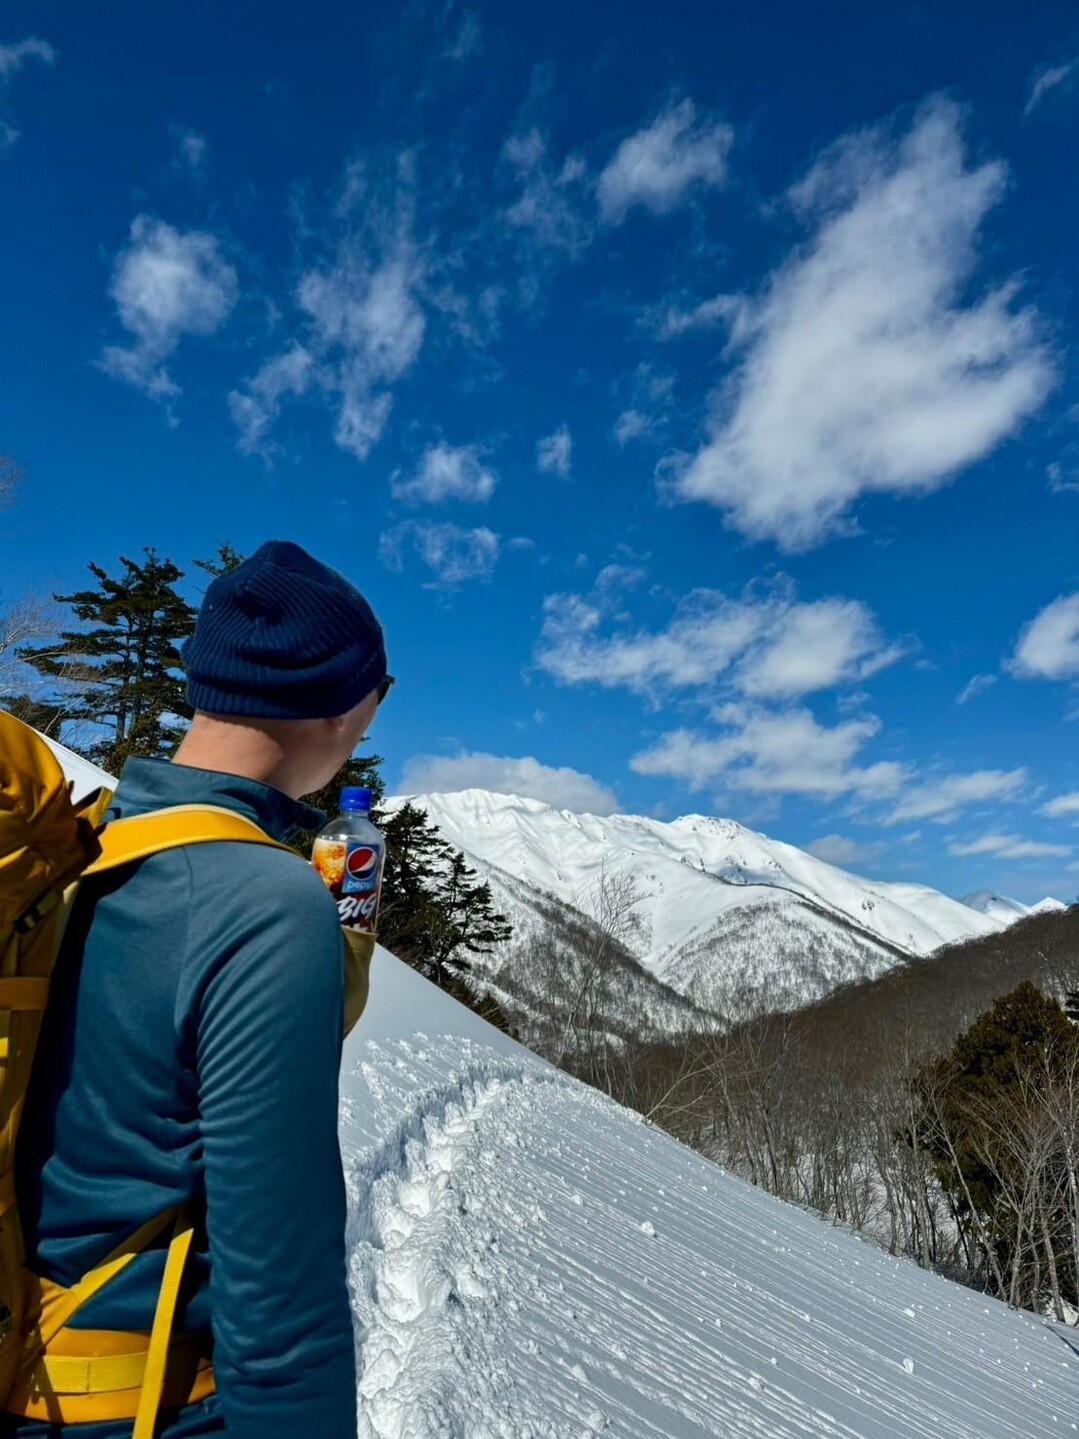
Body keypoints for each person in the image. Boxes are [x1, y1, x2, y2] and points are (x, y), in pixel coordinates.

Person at [7, 541, 389, 1439]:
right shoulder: (263, 900)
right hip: (147, 1402)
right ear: (346, 708)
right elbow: (280, 1297)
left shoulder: (72, 846)